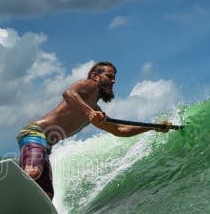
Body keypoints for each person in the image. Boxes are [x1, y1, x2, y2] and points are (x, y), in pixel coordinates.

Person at [16, 61, 172, 200]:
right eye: (109, 76)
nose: (113, 81)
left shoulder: (95, 111)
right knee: (33, 172)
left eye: (114, 78)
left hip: (46, 145)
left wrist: (153, 127)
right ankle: (7, 193)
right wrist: (89, 112)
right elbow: (68, 93)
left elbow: (120, 130)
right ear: (95, 76)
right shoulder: (89, 85)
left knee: (47, 195)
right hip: (35, 133)